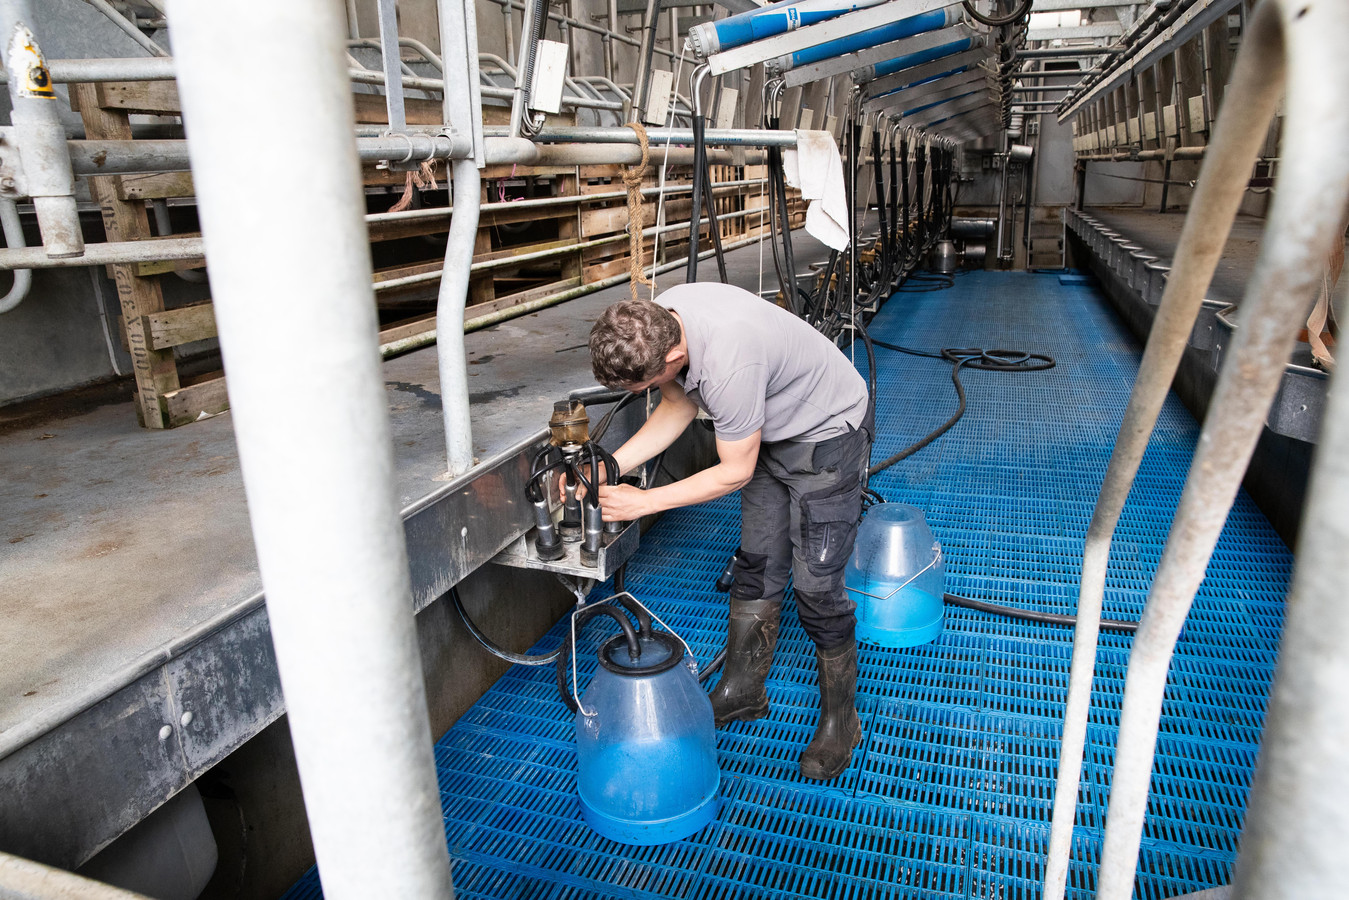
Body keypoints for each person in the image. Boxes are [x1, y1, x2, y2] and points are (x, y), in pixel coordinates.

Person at [583, 283, 872, 780]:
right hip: (767, 430)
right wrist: (608, 466)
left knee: (817, 589)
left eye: (643, 384)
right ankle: (744, 692)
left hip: (827, 436)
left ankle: (841, 720)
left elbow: (733, 471)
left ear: (673, 354)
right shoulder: (662, 318)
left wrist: (644, 502)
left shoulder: (729, 361)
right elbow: (677, 405)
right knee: (757, 566)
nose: (643, 394)